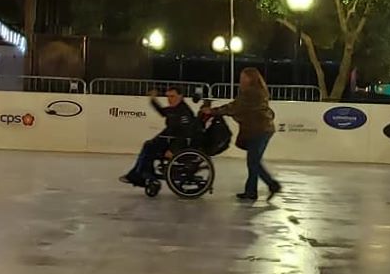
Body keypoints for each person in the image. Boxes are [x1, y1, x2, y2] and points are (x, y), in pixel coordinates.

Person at [213, 67, 281, 202]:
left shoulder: (252, 93)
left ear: (251, 78)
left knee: (253, 162)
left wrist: (214, 111)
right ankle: (254, 190)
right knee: (254, 162)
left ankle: (268, 186)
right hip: (261, 129)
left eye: (244, 77)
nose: (241, 80)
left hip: (260, 130)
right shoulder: (255, 92)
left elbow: (235, 107)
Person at [120, 86, 197, 186]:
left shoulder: (184, 112)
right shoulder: (175, 109)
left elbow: (186, 133)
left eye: (172, 96)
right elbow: (162, 112)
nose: (169, 99)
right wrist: (153, 100)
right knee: (148, 146)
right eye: (168, 96)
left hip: (173, 142)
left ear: (181, 96)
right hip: (167, 137)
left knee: (148, 148)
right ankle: (140, 175)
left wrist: (173, 149)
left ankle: (141, 176)